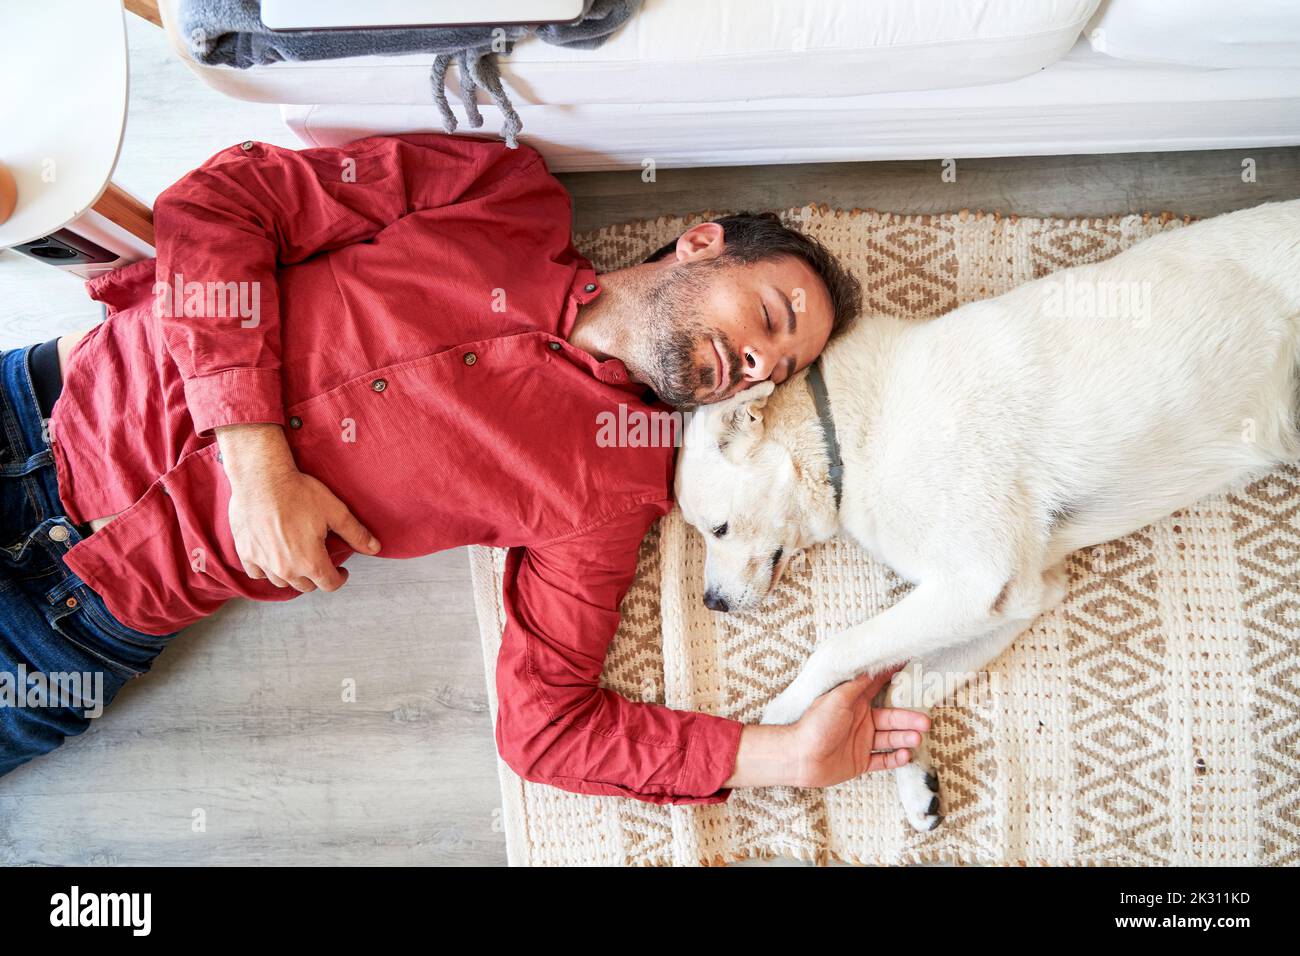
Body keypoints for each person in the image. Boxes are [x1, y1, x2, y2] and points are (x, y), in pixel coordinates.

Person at [0, 133, 929, 801]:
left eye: (782, 368)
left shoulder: (617, 485)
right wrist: (255, 459)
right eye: (770, 316)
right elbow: (224, 202)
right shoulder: (501, 194)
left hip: (73, 628)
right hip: (35, 415)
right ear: (700, 242)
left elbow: (547, 728)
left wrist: (786, 758)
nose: (761, 364)